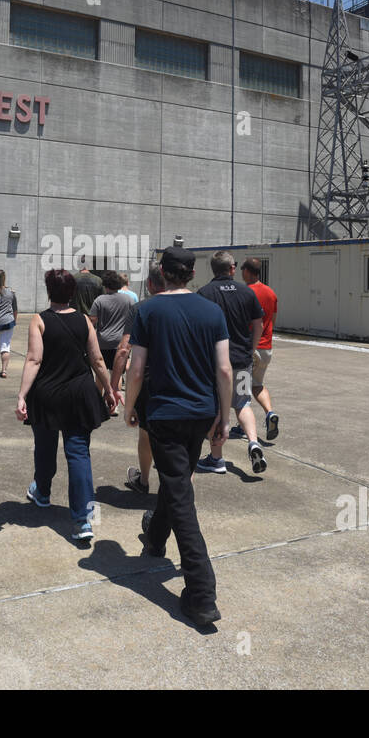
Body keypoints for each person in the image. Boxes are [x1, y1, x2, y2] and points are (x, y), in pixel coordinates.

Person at [124, 246, 230, 628]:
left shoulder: (149, 310)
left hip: (166, 415)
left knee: (182, 496)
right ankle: (154, 539)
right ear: (190, 273)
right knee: (177, 480)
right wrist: (224, 415)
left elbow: (136, 370)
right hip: (201, 413)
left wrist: (128, 405)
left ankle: (201, 593)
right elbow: (224, 369)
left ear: (163, 274)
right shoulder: (211, 310)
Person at [16, 269, 117, 543]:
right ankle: (83, 521)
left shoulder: (39, 320)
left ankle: (43, 492)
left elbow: (34, 360)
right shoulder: (85, 320)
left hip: (47, 395)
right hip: (80, 394)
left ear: (49, 292)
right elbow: (97, 361)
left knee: (45, 447)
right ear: (72, 293)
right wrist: (109, 389)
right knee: (79, 454)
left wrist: (22, 395)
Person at [196, 251, 267, 474]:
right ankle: (253, 442)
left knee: (218, 407)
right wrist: (251, 349)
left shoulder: (204, 293)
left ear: (213, 269)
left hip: (215, 362)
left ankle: (216, 458)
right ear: (232, 268)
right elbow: (259, 324)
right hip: (242, 359)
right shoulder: (247, 292)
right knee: (242, 402)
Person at [112, 263, 165, 494]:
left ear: (150, 284)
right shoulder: (197, 306)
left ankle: (143, 480)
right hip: (186, 380)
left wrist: (114, 385)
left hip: (150, 380)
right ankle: (179, 489)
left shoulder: (141, 308)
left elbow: (125, 349)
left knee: (146, 431)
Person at [240, 257, 279, 440]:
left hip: (249, 346)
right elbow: (273, 320)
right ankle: (270, 413)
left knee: (241, 390)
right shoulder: (271, 293)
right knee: (257, 385)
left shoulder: (246, 293)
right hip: (266, 348)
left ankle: (243, 427)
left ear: (247, 271)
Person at [90, 271, 136, 376]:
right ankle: (116, 392)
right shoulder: (129, 299)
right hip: (121, 342)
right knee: (117, 374)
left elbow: (92, 320)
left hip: (103, 342)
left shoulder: (99, 300)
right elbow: (134, 319)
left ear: (105, 285)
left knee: (101, 373)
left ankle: (102, 393)